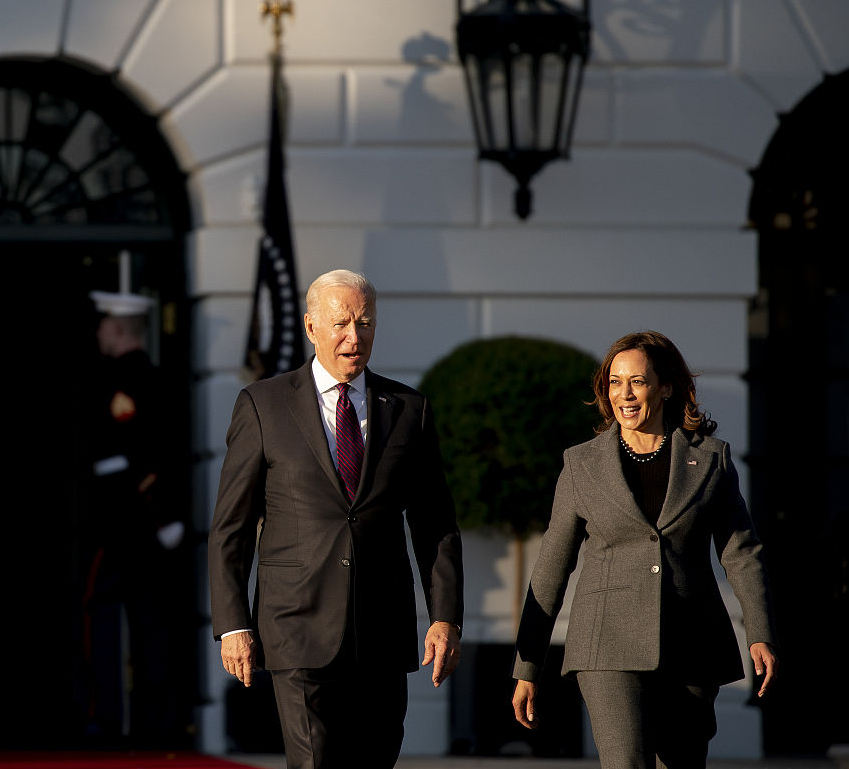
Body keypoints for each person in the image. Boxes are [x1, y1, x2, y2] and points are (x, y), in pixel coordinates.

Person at [209, 269, 464, 769]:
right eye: (341, 323)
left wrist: (444, 616)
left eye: (365, 323)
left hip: (382, 629)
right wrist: (233, 624)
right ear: (311, 327)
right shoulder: (263, 405)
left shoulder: (408, 409)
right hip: (296, 626)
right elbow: (231, 528)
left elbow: (435, 524)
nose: (354, 336)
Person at [511, 330, 779, 768]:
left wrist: (760, 632)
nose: (625, 394)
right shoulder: (581, 465)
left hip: (691, 642)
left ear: (666, 387)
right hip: (606, 644)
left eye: (637, 381)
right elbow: (552, 569)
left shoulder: (711, 459)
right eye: (615, 382)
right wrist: (527, 667)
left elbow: (741, 552)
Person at [77, 289, 188, 747]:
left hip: (123, 521)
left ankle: (111, 720)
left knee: (109, 616)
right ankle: (152, 722)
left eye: (105, 325)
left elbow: (149, 454)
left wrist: (161, 512)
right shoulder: (155, 378)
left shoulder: (121, 382)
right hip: (147, 522)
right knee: (152, 620)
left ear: (120, 328)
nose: (99, 333)